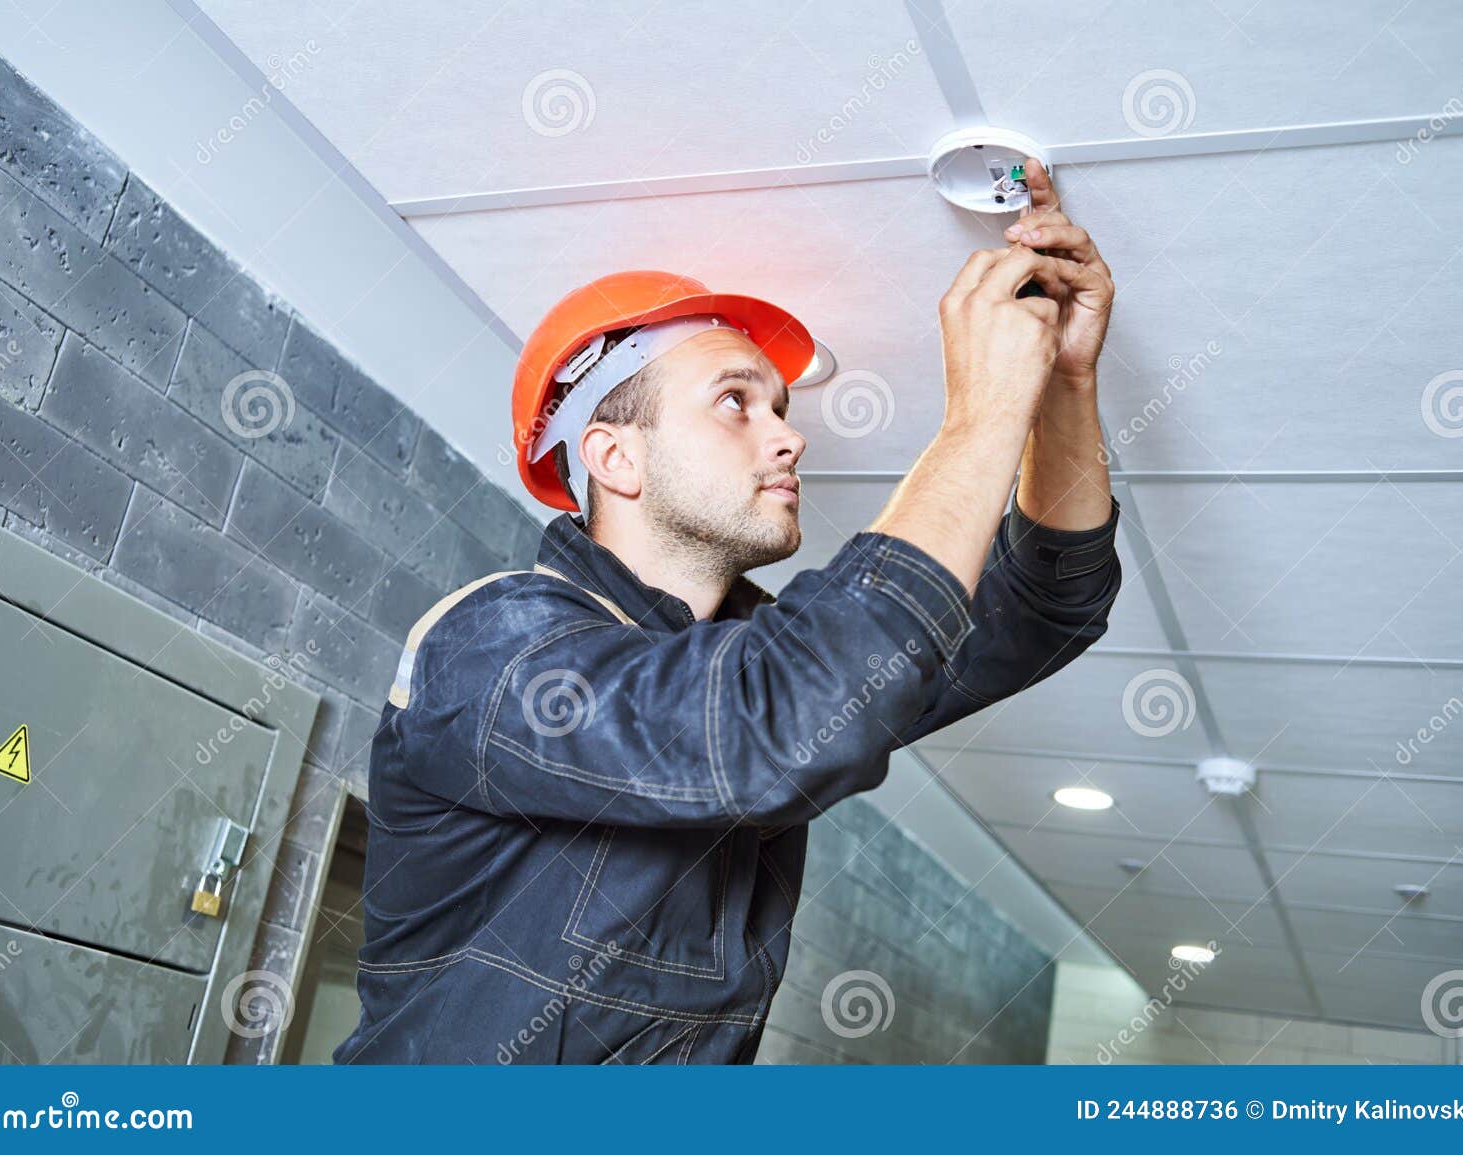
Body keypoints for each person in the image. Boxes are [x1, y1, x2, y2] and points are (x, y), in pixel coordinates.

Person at [335, 160, 1122, 1064]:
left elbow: (1042, 606)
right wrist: (978, 417)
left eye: (779, 406)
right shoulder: (490, 647)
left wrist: (1061, 385)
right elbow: (767, 726)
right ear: (614, 458)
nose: (788, 434)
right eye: (734, 403)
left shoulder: (756, 660)